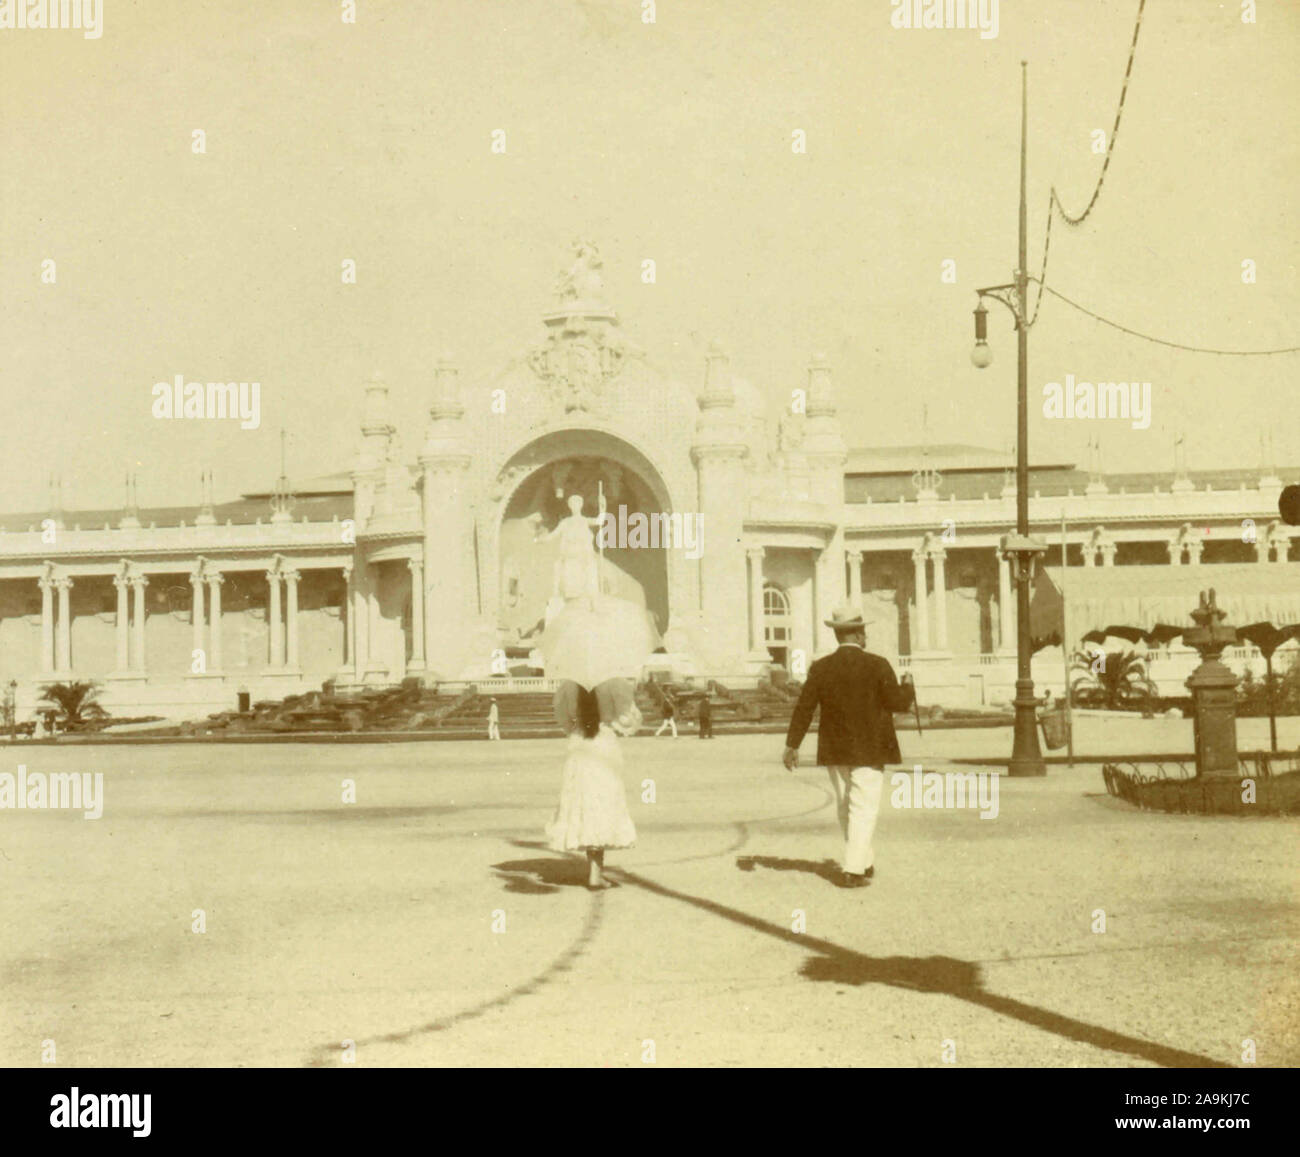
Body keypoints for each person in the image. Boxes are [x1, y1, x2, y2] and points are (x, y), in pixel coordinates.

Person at [782, 602, 914, 889]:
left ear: (837, 635)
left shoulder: (821, 668)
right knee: (862, 808)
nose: (865, 636)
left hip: (835, 749)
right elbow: (898, 704)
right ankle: (853, 870)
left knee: (846, 806)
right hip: (870, 747)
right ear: (856, 634)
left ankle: (864, 861)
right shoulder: (878, 664)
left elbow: (804, 708)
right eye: (863, 631)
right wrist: (908, 685)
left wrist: (792, 744)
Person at [546, 679, 639, 889]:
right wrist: (611, 722)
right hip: (603, 744)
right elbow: (628, 720)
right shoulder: (613, 682)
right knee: (603, 803)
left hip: (580, 745)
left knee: (584, 802)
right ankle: (596, 873)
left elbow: (562, 718)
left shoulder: (569, 685)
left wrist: (578, 727)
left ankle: (594, 873)